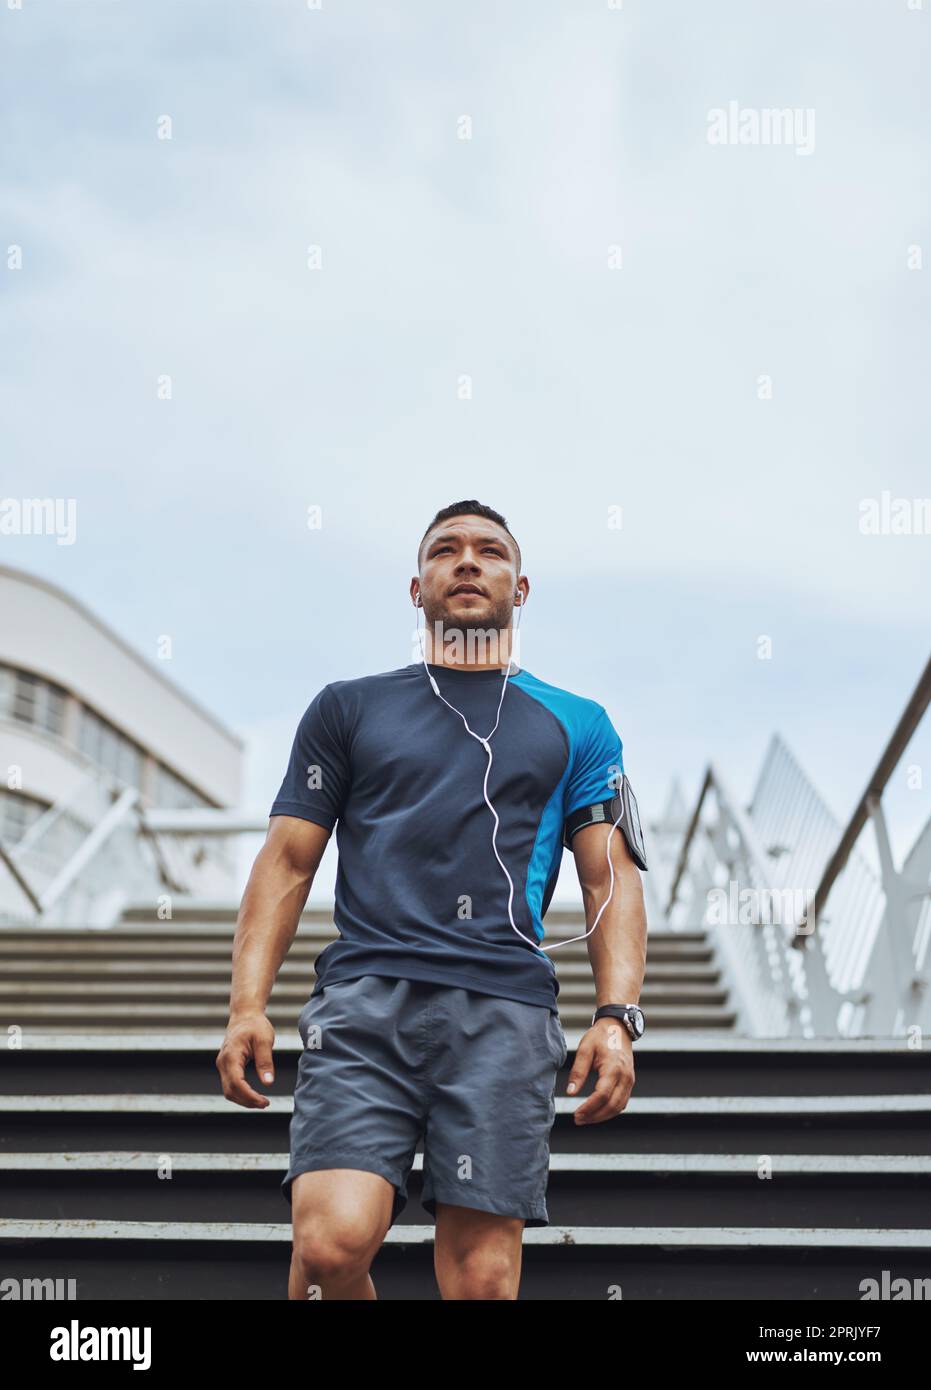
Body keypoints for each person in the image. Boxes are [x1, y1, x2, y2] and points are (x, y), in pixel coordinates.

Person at [216, 500, 649, 1300]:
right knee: (326, 1251)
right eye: (445, 550)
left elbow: (607, 878)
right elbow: (284, 863)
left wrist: (615, 1019)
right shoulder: (348, 708)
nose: (467, 561)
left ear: (521, 587)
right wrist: (248, 1005)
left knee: (481, 1281)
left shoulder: (579, 723)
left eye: (489, 551)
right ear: (416, 587)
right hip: (363, 1003)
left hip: (504, 1014)